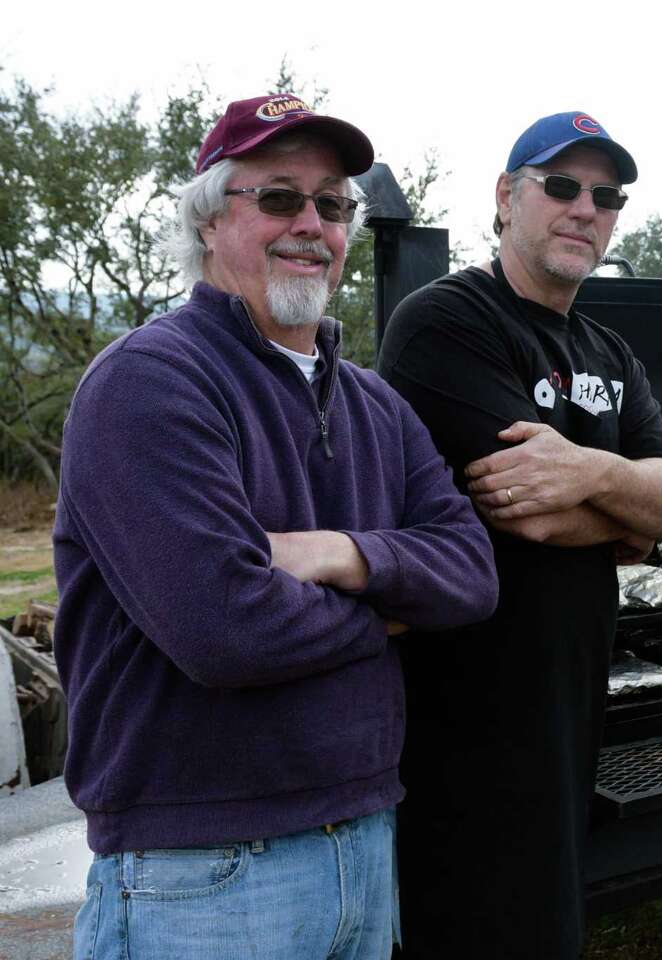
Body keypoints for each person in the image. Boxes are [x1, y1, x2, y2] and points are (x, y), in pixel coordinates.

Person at [53, 93, 498, 960]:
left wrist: (341, 554)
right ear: (212, 219)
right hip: (201, 871)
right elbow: (227, 630)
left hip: (364, 842)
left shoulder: (377, 403)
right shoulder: (149, 384)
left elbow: (474, 574)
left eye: (331, 204)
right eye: (280, 197)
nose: (311, 223)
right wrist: (396, 606)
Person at [377, 111, 662, 956]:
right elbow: (528, 507)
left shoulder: (609, 349)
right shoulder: (446, 322)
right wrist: (628, 514)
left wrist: (594, 475)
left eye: (606, 195)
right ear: (506, 197)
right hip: (458, 724)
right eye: (560, 186)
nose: (584, 208)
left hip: (567, 709)